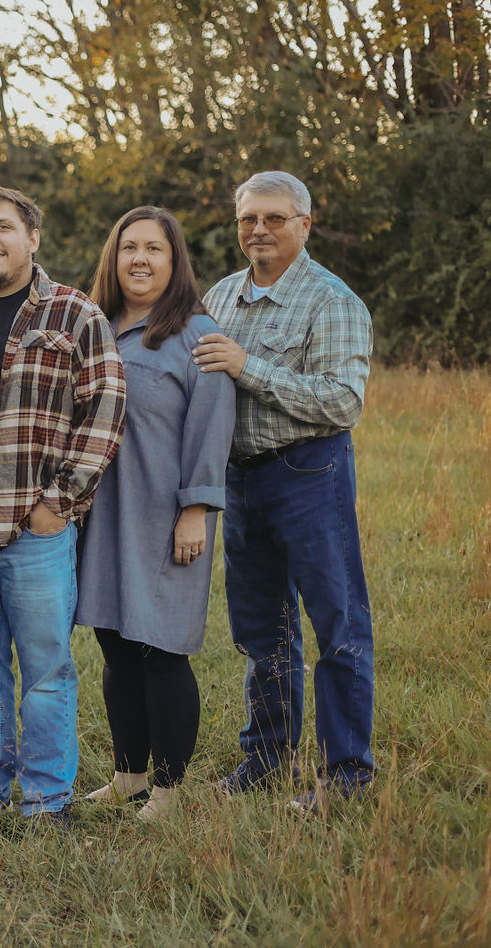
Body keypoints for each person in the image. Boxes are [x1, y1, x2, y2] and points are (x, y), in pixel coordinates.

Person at [0, 186, 126, 829]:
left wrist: (58, 504)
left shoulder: (73, 314)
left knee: (46, 671)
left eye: (3, 226)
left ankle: (46, 801)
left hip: (32, 532)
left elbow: (106, 409)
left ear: (32, 238)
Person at [193, 170, 375, 815]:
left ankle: (346, 774)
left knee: (338, 622)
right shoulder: (221, 295)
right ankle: (266, 759)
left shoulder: (332, 301)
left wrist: (249, 368)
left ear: (304, 223)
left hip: (309, 473)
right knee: (261, 626)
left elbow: (344, 401)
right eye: (249, 218)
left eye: (274, 217)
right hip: (240, 478)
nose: (259, 229)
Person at [76, 207, 235, 821]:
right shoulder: (93, 325)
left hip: (164, 515)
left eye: (154, 249)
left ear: (175, 261)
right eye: (129, 247)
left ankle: (167, 791)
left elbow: (211, 428)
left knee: (161, 648)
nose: (139, 259)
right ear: (113, 258)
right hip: (99, 513)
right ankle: (129, 775)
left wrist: (196, 508)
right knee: (115, 645)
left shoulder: (197, 335)